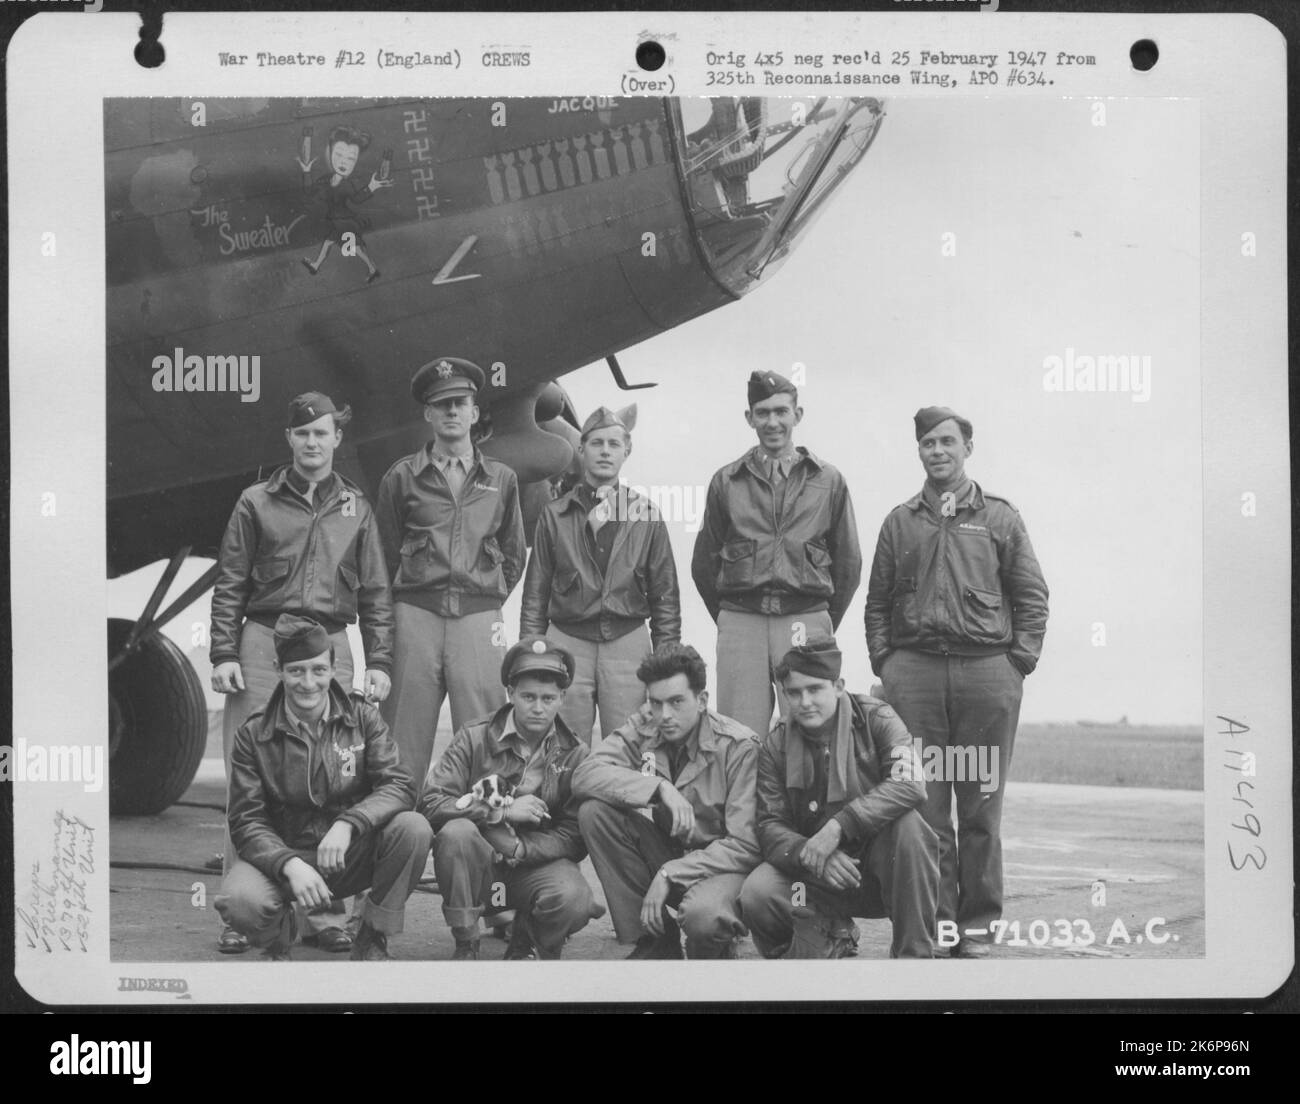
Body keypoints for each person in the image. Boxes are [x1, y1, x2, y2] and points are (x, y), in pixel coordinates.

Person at [210, 391, 394, 955]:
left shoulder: (356, 508)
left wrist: (380, 660)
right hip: (264, 641)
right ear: (289, 440)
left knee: (339, 774)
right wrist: (223, 652)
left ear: (338, 439)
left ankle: (322, 915)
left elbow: (377, 593)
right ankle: (238, 911)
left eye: (322, 434)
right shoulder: (254, 502)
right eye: (303, 434)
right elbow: (231, 582)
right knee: (252, 775)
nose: (313, 444)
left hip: (331, 646)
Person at [864, 406, 1049, 958]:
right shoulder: (900, 521)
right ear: (918, 451)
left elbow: (1032, 596)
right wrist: (887, 665)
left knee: (981, 809)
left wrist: (1017, 663)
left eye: (947, 441)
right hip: (915, 678)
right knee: (924, 810)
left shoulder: (999, 518)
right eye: (927, 443)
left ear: (968, 446)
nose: (937, 451)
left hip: (986, 675)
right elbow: (876, 603)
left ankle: (979, 929)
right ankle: (939, 925)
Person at [214, 615, 430, 961]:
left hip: (347, 854)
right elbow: (245, 820)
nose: (308, 683)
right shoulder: (253, 734)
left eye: (318, 670)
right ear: (278, 670)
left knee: (413, 828)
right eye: (296, 671)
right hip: (286, 858)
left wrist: (350, 823)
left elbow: (399, 784)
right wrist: (287, 863)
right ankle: (277, 940)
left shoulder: (363, 718)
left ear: (333, 668)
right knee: (240, 900)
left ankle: (372, 936)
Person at [376, 357, 527, 793]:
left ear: (475, 412)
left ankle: (482, 846)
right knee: (401, 741)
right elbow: (384, 558)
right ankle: (397, 842)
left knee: (487, 740)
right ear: (428, 414)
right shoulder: (401, 477)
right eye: (441, 404)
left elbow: (513, 555)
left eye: (460, 402)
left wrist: (484, 592)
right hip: (415, 618)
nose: (452, 411)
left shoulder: (502, 479)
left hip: (478, 621)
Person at [738, 636, 939, 959]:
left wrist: (839, 826)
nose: (804, 702)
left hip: (878, 873)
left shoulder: (878, 719)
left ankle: (913, 957)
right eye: (794, 693)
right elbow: (769, 824)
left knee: (910, 828)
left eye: (815, 689)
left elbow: (911, 784)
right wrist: (810, 852)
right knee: (757, 893)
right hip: (814, 879)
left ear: (839, 686)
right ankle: (828, 936)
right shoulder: (776, 745)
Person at [691, 369, 862, 740]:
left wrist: (820, 617)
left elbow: (848, 563)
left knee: (812, 730)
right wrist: (731, 615)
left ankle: (808, 802)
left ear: (797, 416)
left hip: (804, 619)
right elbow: (704, 563)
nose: (773, 422)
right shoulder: (726, 481)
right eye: (763, 412)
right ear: (749, 418)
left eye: (781, 411)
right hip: (742, 621)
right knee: (738, 734)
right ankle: (743, 801)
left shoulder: (828, 479)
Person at [573, 642, 759, 959]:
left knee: (703, 916)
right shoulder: (645, 726)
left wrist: (670, 872)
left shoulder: (738, 746)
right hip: (670, 852)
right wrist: (657, 787)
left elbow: (745, 845)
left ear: (701, 700)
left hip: (721, 868)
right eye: (656, 703)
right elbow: (584, 775)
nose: (665, 715)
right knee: (595, 812)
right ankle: (656, 940)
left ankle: (717, 948)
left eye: (676, 702)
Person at [419, 637, 599, 960]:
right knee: (456, 834)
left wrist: (521, 848)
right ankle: (466, 941)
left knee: (575, 899)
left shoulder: (576, 754)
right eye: (528, 696)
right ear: (511, 693)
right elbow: (431, 803)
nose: (538, 707)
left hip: (532, 870)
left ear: (562, 698)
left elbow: (574, 835)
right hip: (481, 874)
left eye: (548, 698)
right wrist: (499, 814)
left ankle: (528, 936)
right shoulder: (474, 737)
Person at [520, 405, 681, 744]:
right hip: (567, 642)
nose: (605, 451)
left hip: (628, 643)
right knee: (563, 747)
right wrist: (532, 653)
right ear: (581, 449)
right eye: (596, 443)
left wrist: (665, 660)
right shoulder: (554, 515)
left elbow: (665, 596)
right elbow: (535, 594)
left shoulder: (646, 515)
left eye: (613, 443)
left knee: (630, 747)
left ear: (627, 450)